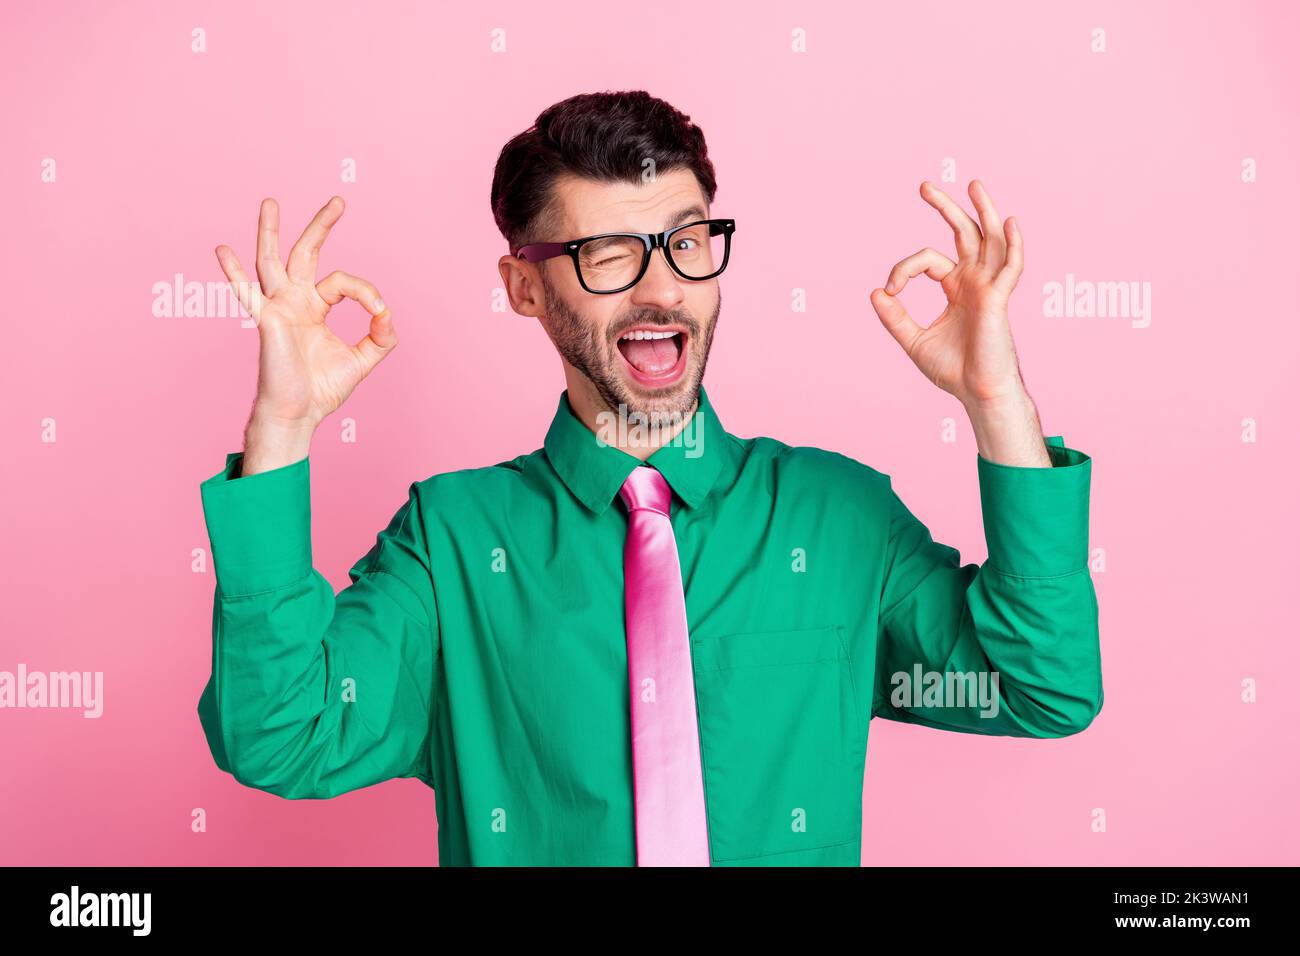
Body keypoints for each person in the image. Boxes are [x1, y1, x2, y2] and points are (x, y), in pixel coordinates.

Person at [196, 89, 1102, 867]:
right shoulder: (454, 544)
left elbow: (1037, 687)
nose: (660, 288)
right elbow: (284, 734)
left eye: (685, 241)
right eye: (606, 255)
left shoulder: (839, 519)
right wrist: (281, 426)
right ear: (525, 287)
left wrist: (997, 402)